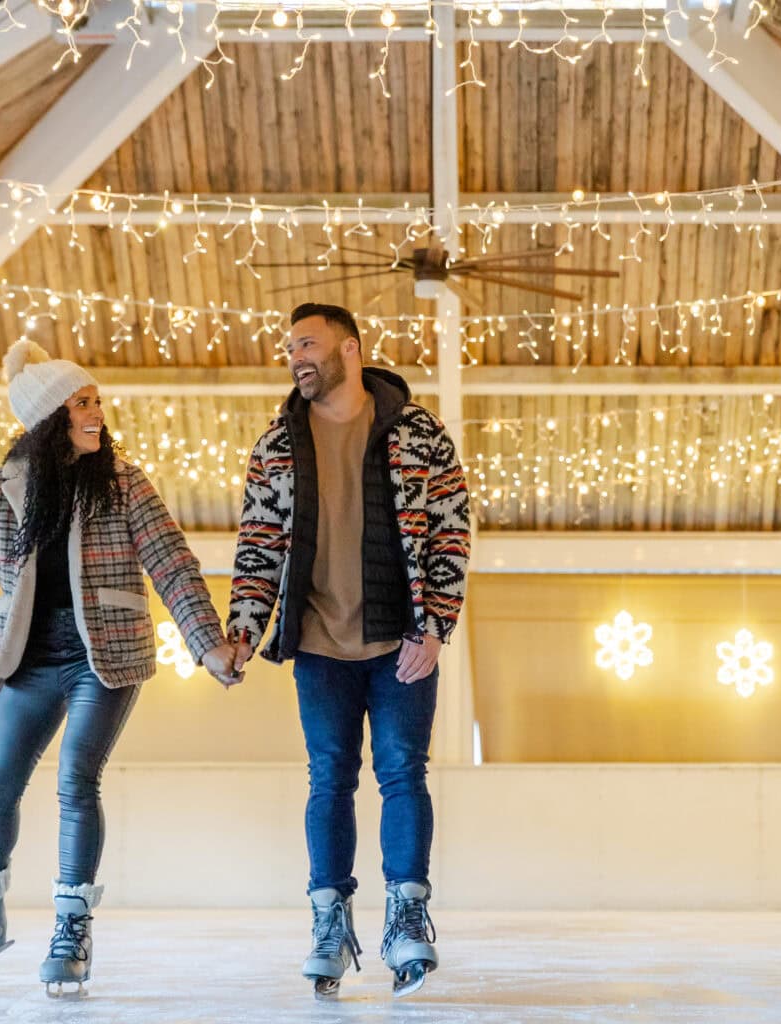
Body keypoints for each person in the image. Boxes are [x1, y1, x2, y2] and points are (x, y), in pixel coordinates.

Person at [0, 339, 240, 996]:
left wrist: (207, 645)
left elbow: (172, 565)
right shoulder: (5, 489)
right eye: (81, 404)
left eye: (96, 400)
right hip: (30, 661)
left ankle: (72, 929)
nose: (97, 413)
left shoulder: (124, 483)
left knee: (74, 780)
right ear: (46, 420)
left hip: (106, 658)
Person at [227, 302, 471, 999]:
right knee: (330, 779)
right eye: (289, 348)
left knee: (403, 773)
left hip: (401, 640)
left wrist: (436, 625)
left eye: (307, 343)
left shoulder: (416, 432)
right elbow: (258, 544)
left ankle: (405, 917)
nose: (295, 357)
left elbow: (452, 528)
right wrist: (244, 628)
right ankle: (329, 924)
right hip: (318, 646)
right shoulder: (278, 443)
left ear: (350, 350)